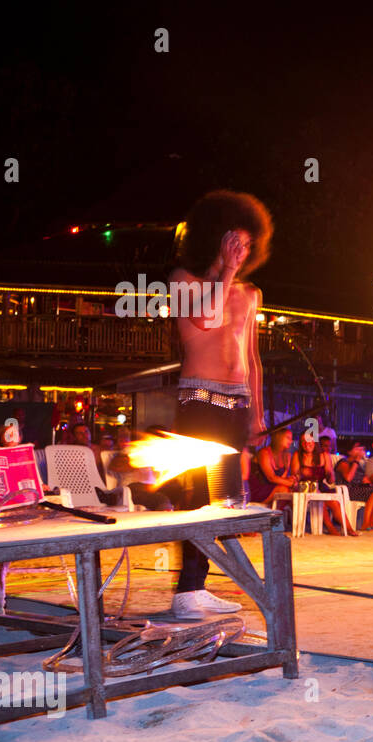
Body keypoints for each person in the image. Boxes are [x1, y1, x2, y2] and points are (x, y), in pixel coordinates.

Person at [166, 190, 272, 620]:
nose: (240, 252)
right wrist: (224, 271)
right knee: (196, 494)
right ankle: (185, 591)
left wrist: (259, 411)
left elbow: (251, 356)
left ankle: (197, 586)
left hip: (237, 403)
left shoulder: (250, 293)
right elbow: (205, 322)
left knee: (226, 500)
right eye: (233, 242)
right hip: (200, 399)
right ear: (214, 238)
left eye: (246, 246)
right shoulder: (183, 281)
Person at [292, 430, 352, 535]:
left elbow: (330, 480)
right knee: (319, 497)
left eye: (309, 441)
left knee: (334, 502)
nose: (307, 444)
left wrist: (330, 474)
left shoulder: (324, 455)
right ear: (301, 444)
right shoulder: (297, 455)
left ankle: (349, 528)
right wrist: (302, 474)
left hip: (320, 485)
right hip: (304, 488)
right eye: (303, 442)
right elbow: (295, 476)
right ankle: (330, 527)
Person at [106, 427, 173, 511]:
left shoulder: (160, 454)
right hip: (132, 488)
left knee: (175, 489)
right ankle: (165, 522)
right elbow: (115, 466)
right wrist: (137, 462)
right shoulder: (134, 450)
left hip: (150, 487)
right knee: (160, 499)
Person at [249, 427, 297, 505]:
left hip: (273, 489)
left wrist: (290, 480)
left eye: (291, 439)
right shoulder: (264, 453)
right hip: (258, 490)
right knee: (284, 490)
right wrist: (291, 483)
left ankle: (294, 515)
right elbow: (271, 477)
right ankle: (277, 515)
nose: (290, 441)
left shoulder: (287, 456)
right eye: (288, 438)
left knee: (292, 491)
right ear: (278, 437)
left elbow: (282, 479)